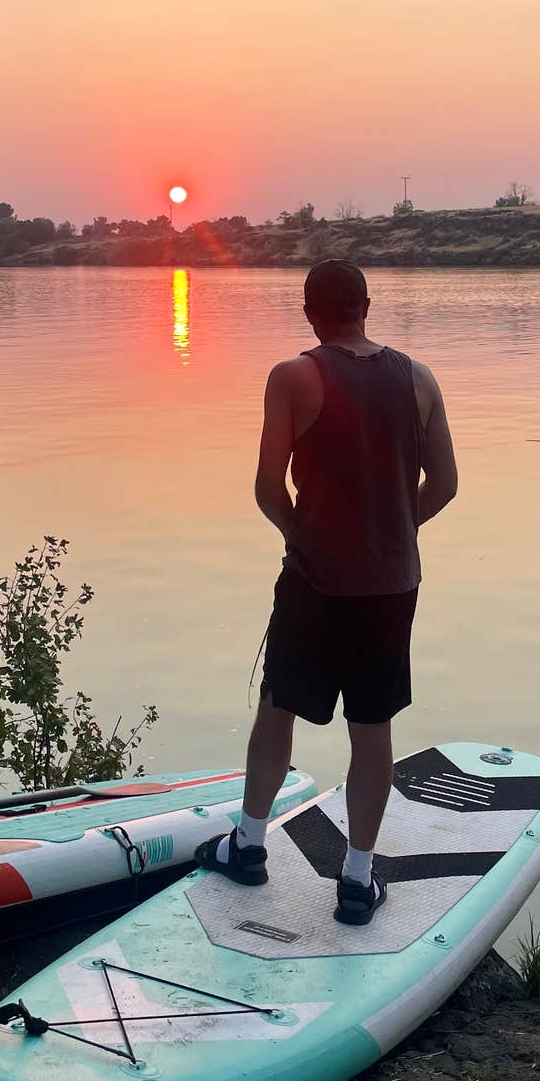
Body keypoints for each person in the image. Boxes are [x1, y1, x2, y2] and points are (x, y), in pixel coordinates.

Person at [195, 259, 458, 925]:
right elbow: (446, 485)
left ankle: (249, 847)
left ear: (309, 311)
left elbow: (266, 487)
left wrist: (304, 537)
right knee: (372, 730)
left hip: (313, 581)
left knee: (277, 708)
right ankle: (356, 882)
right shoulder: (420, 379)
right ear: (367, 305)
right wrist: (390, 534)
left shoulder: (293, 377)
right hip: (390, 585)